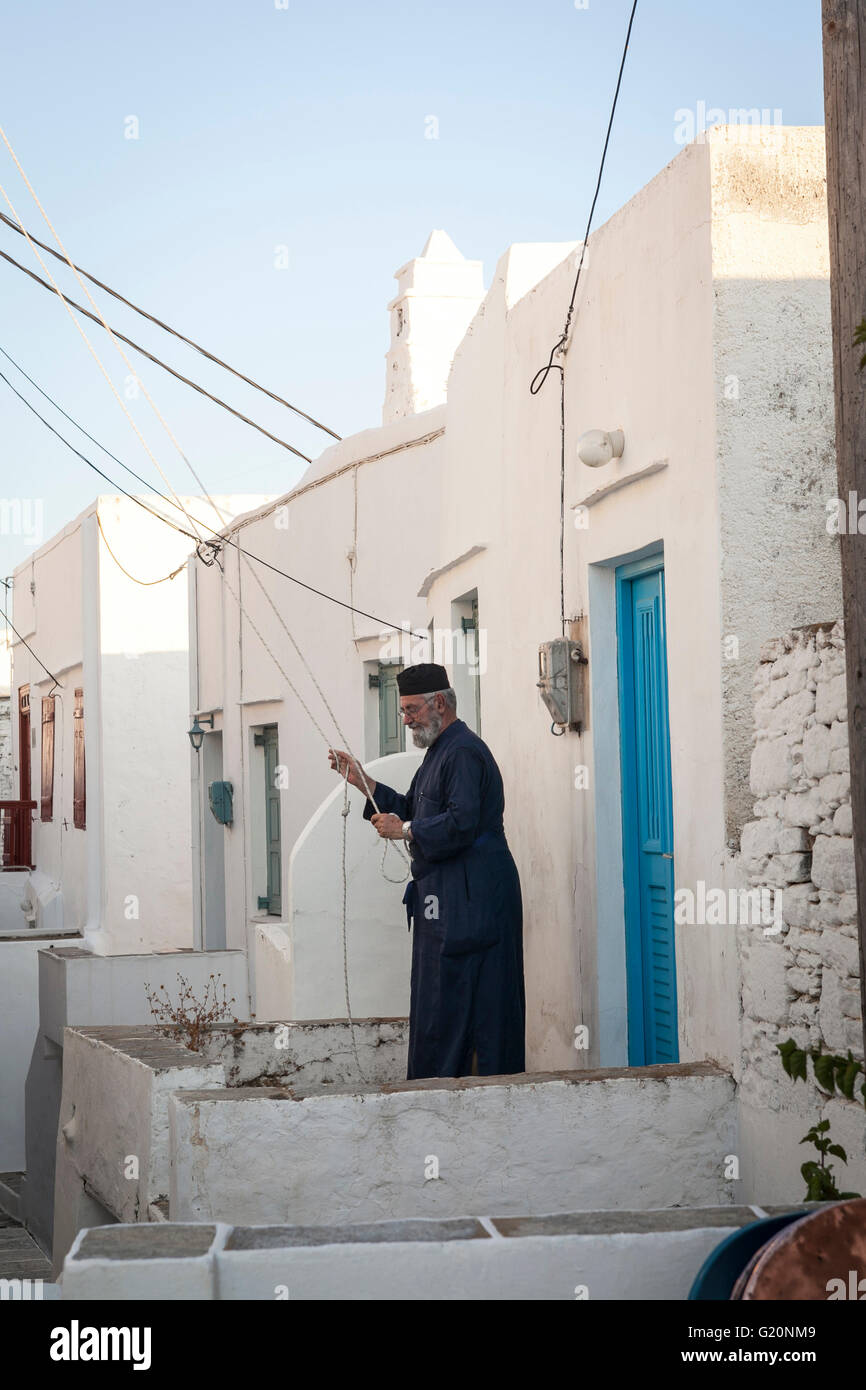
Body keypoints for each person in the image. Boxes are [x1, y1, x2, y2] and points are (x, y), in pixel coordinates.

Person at [328, 662, 525, 1080]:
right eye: (403, 712)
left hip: (476, 906)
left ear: (440, 703)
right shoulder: (439, 752)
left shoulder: (465, 752)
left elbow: (462, 820)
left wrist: (407, 830)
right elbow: (415, 806)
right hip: (448, 903)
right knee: (438, 1007)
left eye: (411, 710)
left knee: (475, 1011)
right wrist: (366, 784)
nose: (406, 720)